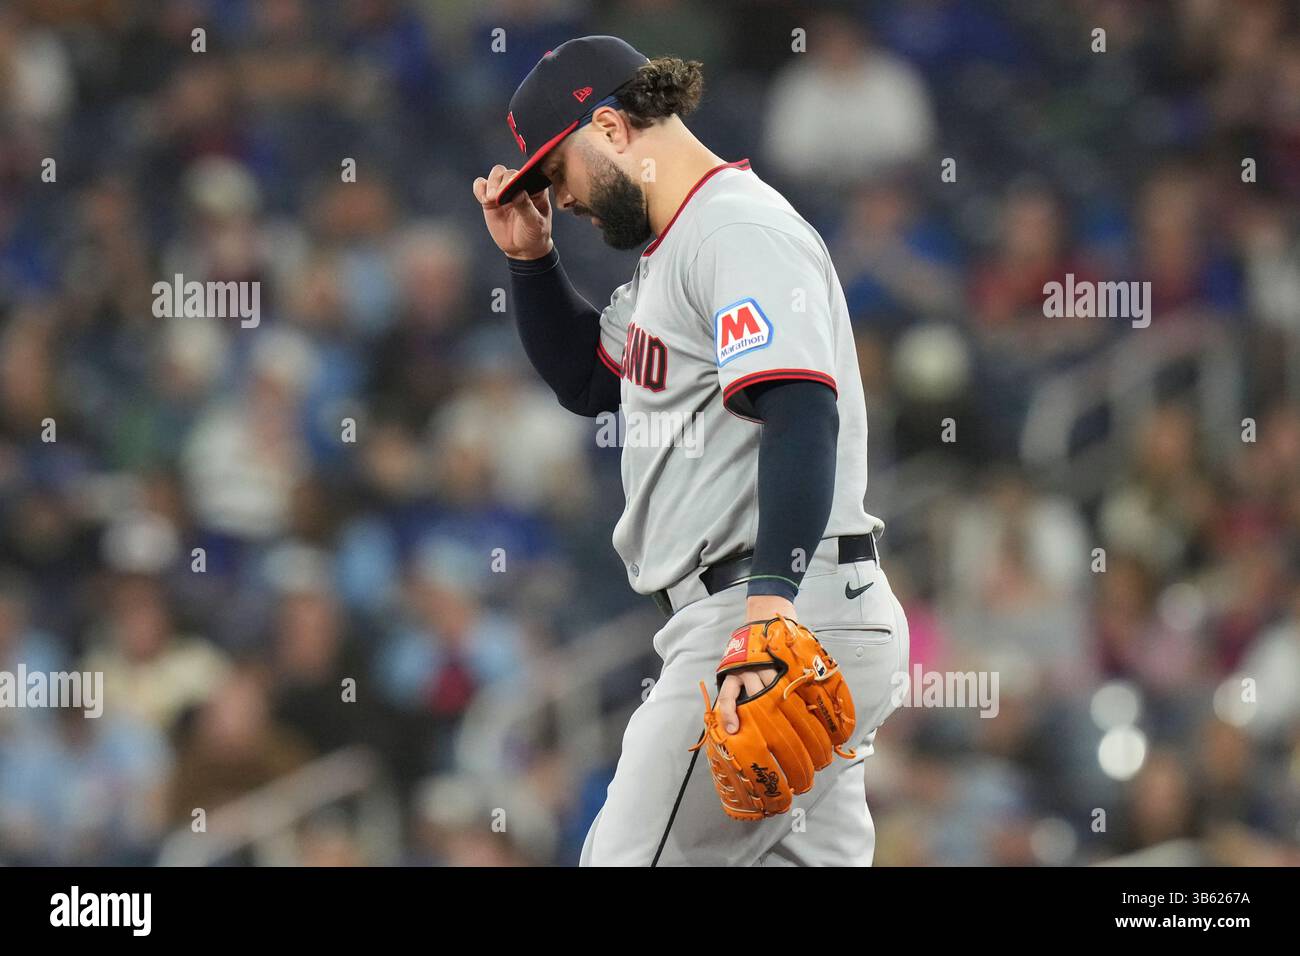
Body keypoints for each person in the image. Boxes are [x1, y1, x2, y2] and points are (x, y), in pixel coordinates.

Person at [472, 36, 909, 866]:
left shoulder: (733, 227)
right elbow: (592, 382)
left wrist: (769, 613)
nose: (558, 199)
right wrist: (529, 263)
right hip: (793, 610)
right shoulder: (675, 250)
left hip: (766, 610)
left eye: (555, 173)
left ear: (608, 126)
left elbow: (799, 411)